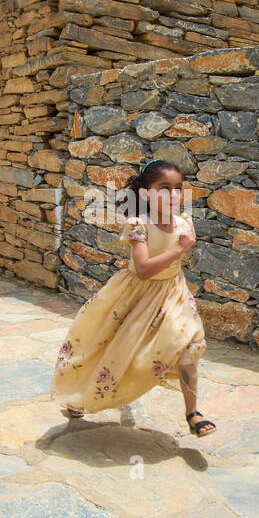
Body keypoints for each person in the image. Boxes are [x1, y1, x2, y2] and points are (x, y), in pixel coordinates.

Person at [51, 160, 214, 437]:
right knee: (110, 349)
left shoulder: (184, 222)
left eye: (178, 188)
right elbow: (143, 269)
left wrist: (181, 244)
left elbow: (170, 263)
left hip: (172, 293)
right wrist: (181, 248)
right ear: (146, 194)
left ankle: (193, 412)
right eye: (164, 188)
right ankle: (81, 396)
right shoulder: (139, 224)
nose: (173, 195)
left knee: (189, 344)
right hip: (136, 295)